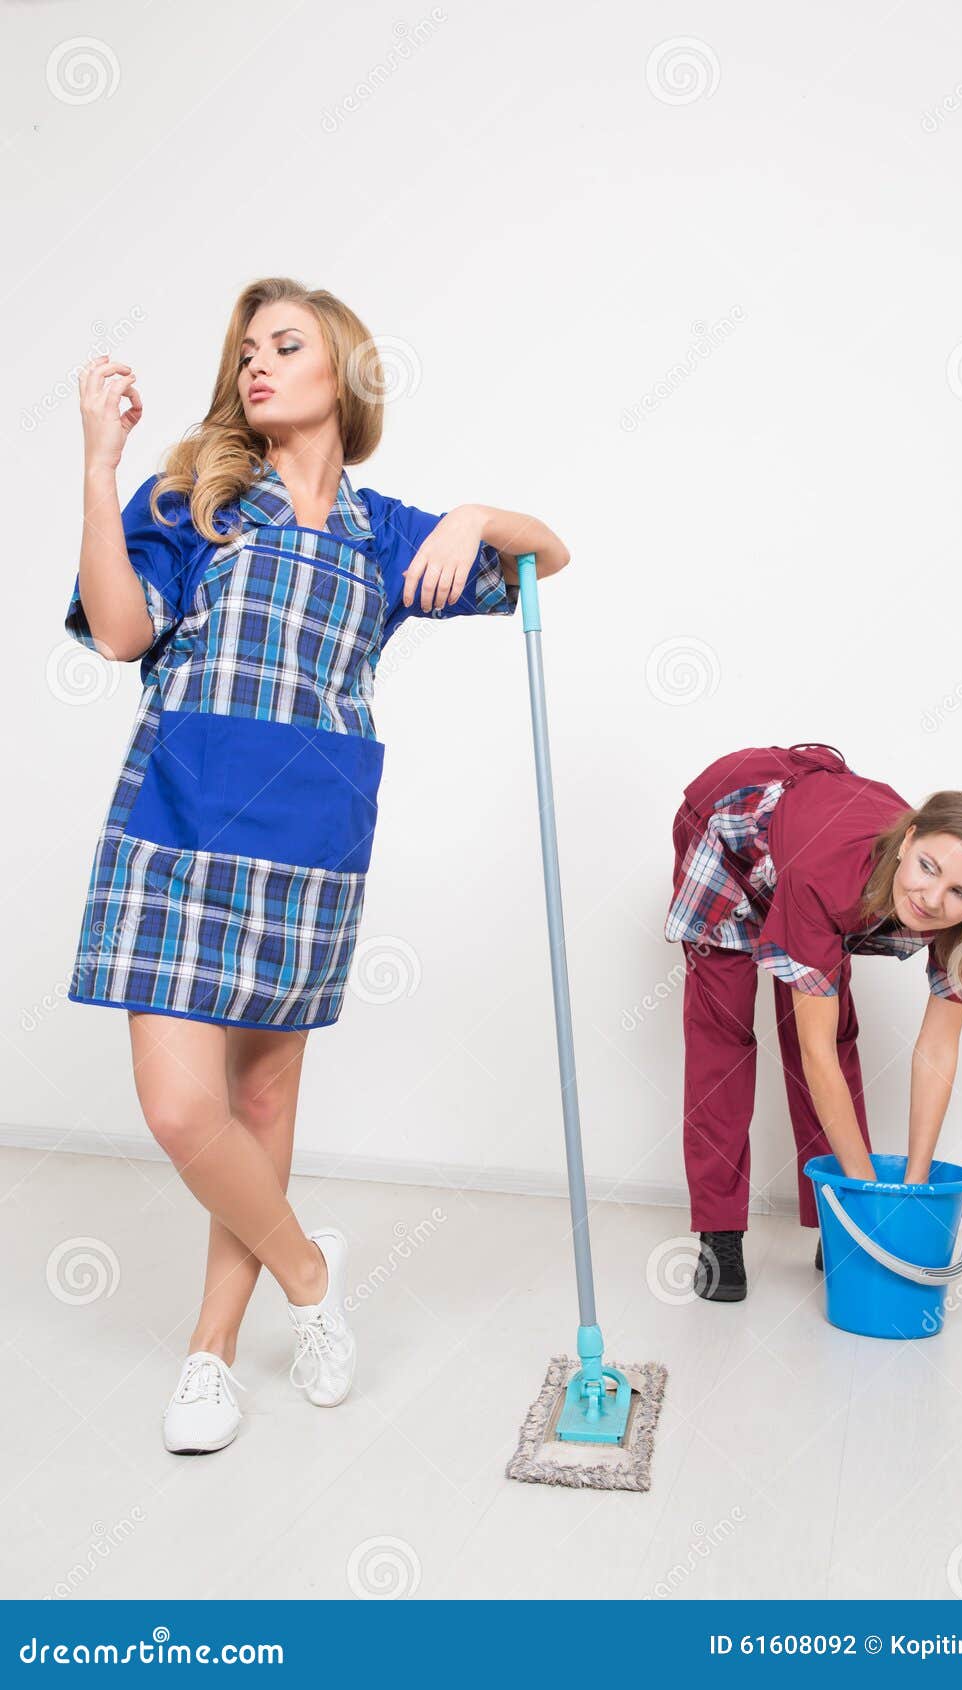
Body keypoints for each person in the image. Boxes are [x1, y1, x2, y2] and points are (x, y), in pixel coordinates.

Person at [64, 276, 570, 1451]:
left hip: (310, 838)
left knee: (262, 1097)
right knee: (183, 1109)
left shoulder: (387, 533)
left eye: (283, 345)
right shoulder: (195, 498)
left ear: (341, 370)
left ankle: (210, 1356)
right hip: (177, 826)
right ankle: (309, 1273)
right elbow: (123, 631)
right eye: (245, 350)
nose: (255, 365)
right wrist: (99, 468)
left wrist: (476, 515)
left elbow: (555, 554)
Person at [665, 742, 962, 1302]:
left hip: (811, 848)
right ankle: (720, 1231)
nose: (932, 899)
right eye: (927, 867)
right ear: (908, 840)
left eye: (961, 893)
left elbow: (937, 1049)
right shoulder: (826, 878)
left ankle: (830, 1220)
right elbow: (816, 1057)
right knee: (726, 1037)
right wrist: (866, 1199)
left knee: (832, 1027)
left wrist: (912, 1186)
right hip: (731, 834)